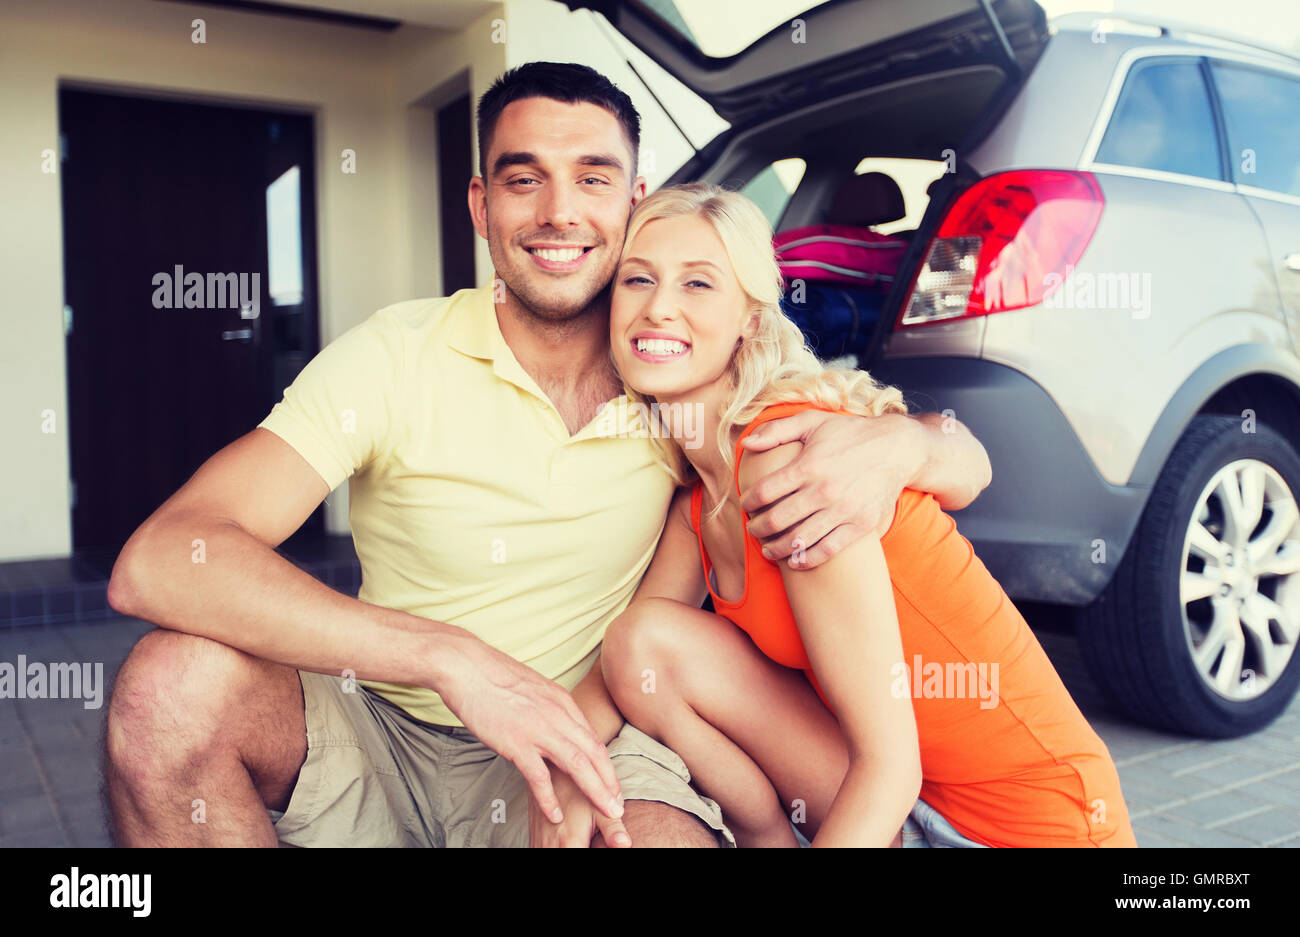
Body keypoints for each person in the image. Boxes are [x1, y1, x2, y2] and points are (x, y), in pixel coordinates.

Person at [102, 63, 992, 848]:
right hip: (383, 724)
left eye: (592, 179)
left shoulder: (673, 375)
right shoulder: (394, 353)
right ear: (482, 207)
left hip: (593, 733)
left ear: (633, 203)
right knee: (167, 691)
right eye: (523, 180)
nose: (559, 211)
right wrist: (450, 657)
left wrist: (905, 440)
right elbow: (160, 562)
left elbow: (952, 456)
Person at [600, 182, 1137, 848]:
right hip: (896, 809)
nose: (659, 308)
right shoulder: (698, 504)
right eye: (638, 279)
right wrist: (557, 771)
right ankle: (766, 832)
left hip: (1030, 826)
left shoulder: (787, 459)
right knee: (641, 643)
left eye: (698, 284)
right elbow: (620, 674)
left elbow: (890, 766)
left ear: (750, 318)